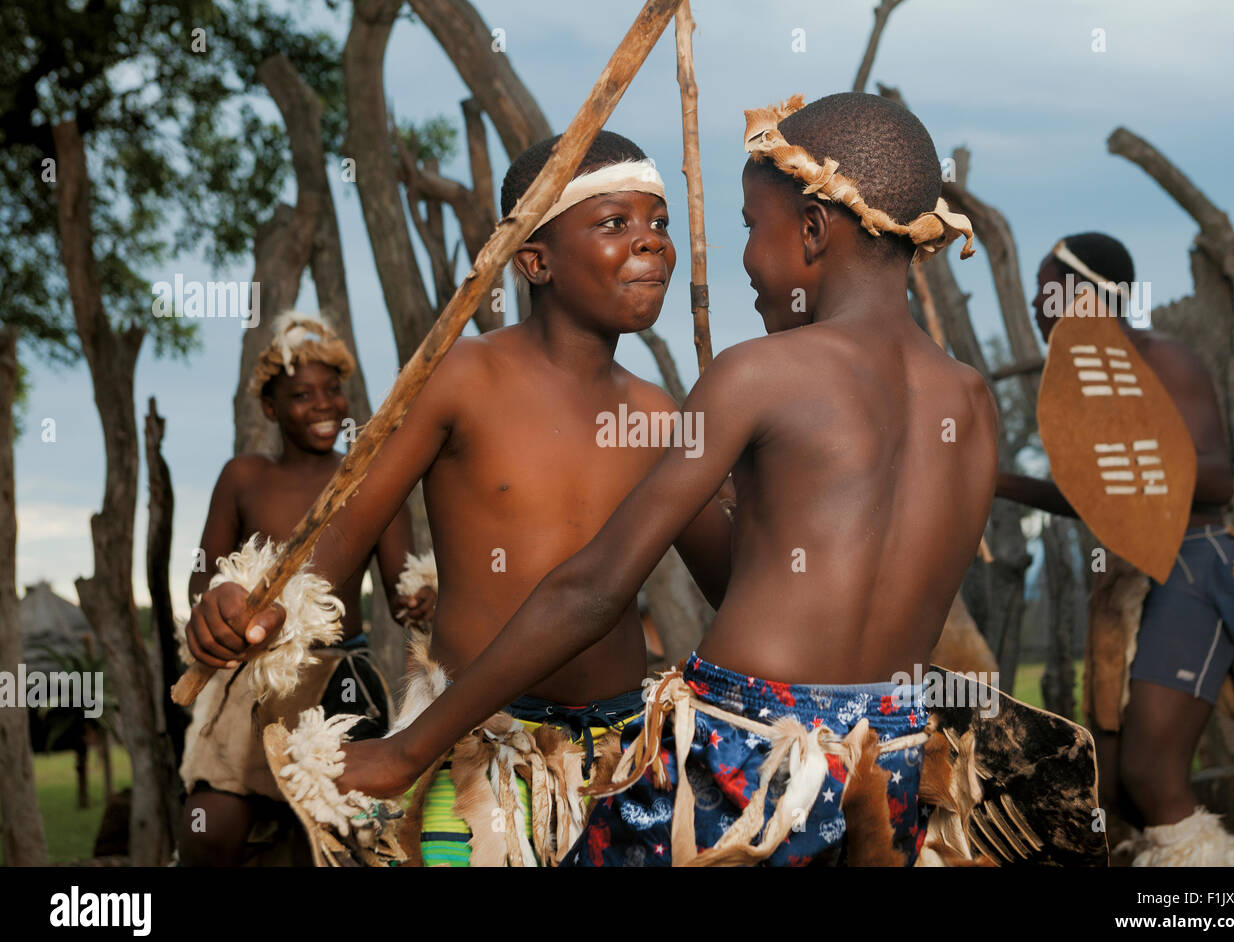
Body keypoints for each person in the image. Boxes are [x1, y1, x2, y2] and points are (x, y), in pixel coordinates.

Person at [329, 92, 1000, 867]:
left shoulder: (755, 375)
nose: (739, 257)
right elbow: (800, 580)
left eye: (750, 228)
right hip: (884, 766)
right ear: (535, 260)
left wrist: (409, 750)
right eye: (617, 224)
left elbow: (595, 592)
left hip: (742, 763)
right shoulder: (973, 403)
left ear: (813, 231)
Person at [186, 131, 733, 867]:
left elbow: (734, 583)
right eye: (614, 223)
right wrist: (258, 602)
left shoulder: (661, 416)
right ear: (535, 260)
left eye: (660, 223)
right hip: (469, 750)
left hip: (617, 758)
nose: (651, 244)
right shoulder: (461, 378)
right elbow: (341, 538)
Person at [998, 232, 1234, 865]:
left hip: (1192, 565)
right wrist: (995, 482)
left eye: (1046, 290)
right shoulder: (1079, 381)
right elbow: (1098, 497)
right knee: (1109, 785)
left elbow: (1217, 477)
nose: (1035, 306)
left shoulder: (1163, 359)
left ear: (1086, 293)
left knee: (1153, 775)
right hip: (1130, 579)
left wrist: (1136, 457)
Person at [179, 312, 434, 866]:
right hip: (254, 678)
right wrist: (220, 615)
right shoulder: (243, 477)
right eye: (301, 395)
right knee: (208, 830)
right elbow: (204, 580)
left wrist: (422, 598)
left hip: (340, 682)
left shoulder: (371, 477)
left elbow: (400, 593)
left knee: (330, 835)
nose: (323, 404)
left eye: (333, 389)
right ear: (271, 408)